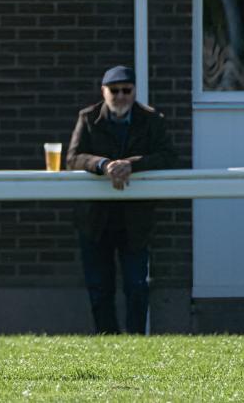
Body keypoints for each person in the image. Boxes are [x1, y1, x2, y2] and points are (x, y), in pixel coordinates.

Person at [67, 65, 177, 335]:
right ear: (103, 91)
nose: (120, 96)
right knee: (99, 288)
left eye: (126, 90)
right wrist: (104, 165)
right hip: (96, 220)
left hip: (134, 220)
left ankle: (135, 344)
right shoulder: (88, 118)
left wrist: (131, 165)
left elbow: (168, 156)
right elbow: (73, 158)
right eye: (114, 90)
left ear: (134, 91)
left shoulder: (152, 120)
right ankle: (108, 343)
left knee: (137, 286)